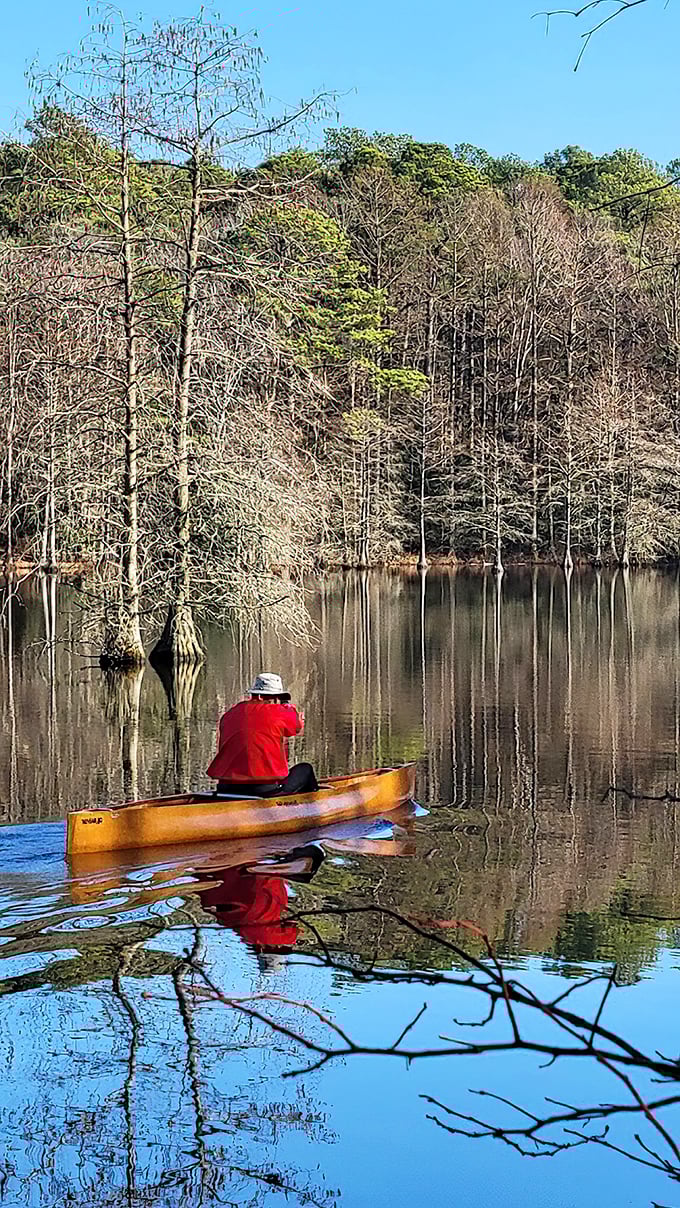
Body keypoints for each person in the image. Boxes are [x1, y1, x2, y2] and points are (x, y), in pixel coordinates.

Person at [206, 672, 319, 797]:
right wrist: (287, 706)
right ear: (260, 697)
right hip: (263, 789)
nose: (276, 702)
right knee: (305, 769)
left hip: (225, 788)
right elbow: (297, 726)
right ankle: (314, 805)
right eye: (275, 698)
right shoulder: (278, 712)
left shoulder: (230, 714)